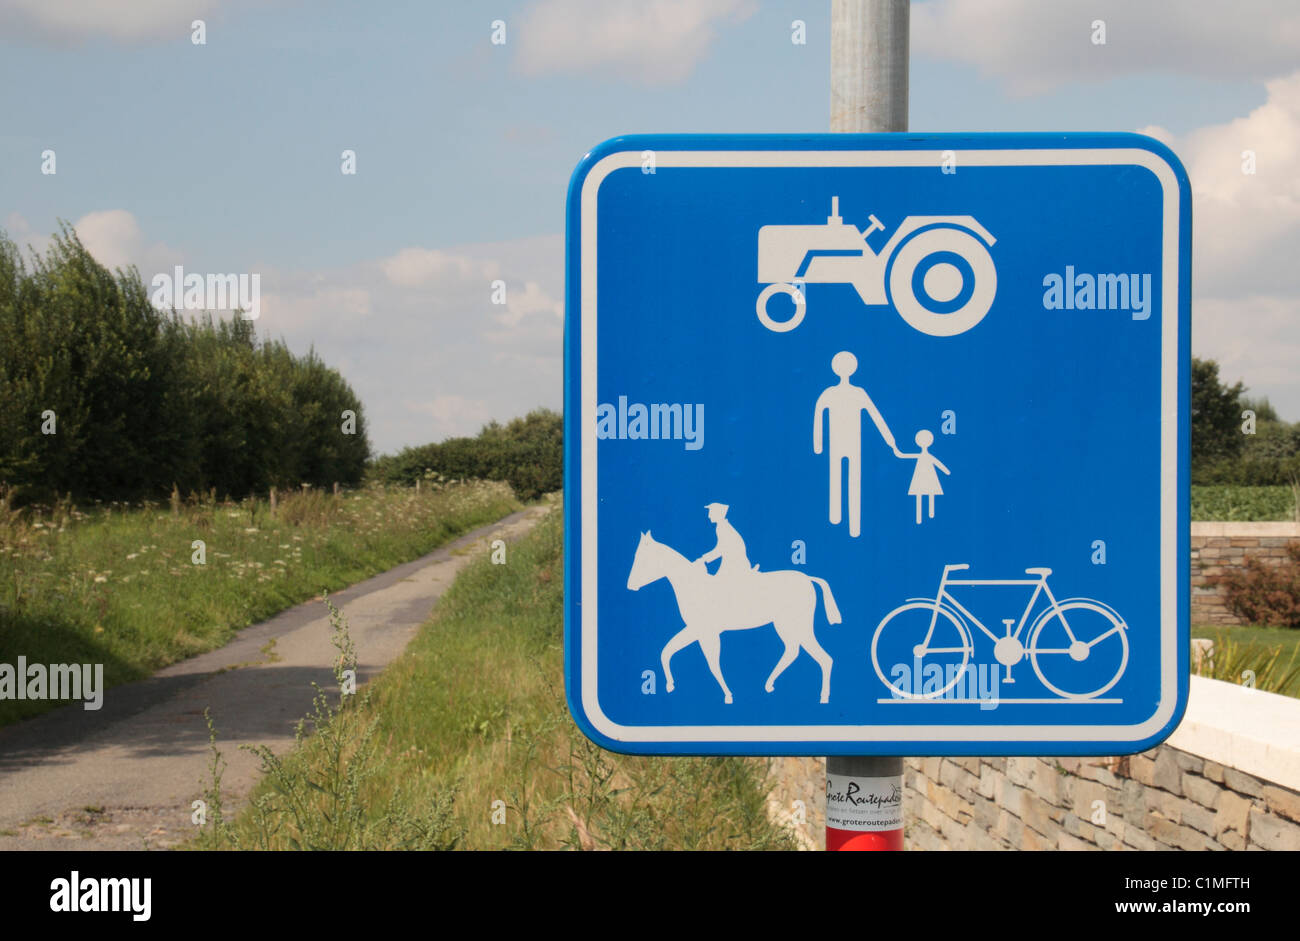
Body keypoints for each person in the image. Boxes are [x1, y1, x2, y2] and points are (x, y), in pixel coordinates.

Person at [898, 429, 950, 524]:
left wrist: (946, 471)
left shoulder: (926, 456)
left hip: (928, 475)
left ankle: (928, 514)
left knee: (928, 493)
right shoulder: (923, 455)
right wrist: (946, 471)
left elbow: (937, 463)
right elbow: (902, 455)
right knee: (922, 493)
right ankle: (924, 515)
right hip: (921, 475)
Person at [696, 503, 758, 577]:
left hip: (735, 565)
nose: (709, 516)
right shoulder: (723, 526)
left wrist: (703, 559)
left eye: (711, 512)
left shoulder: (723, 528)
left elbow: (721, 549)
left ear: (718, 513)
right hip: (733, 562)